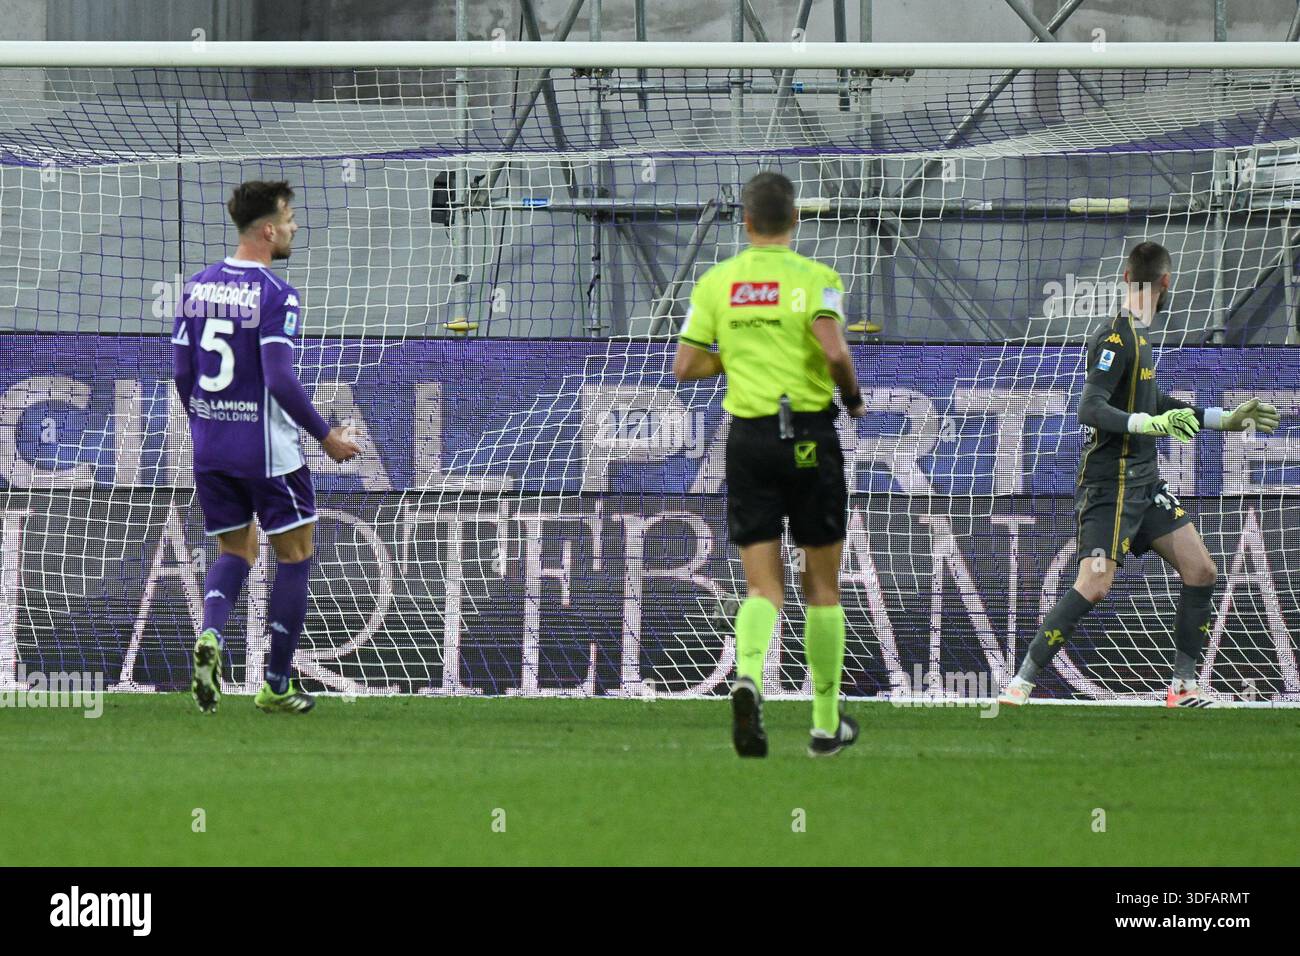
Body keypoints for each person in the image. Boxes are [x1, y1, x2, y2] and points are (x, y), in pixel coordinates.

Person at [999, 241, 1280, 708]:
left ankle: (1183, 686)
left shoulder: (1141, 336)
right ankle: (1021, 681)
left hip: (1145, 483)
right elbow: (1090, 407)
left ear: (1126, 277)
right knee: (1094, 582)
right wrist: (1145, 424)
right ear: (1167, 283)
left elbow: (1155, 403)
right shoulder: (1114, 336)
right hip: (1110, 484)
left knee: (1201, 568)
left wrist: (1222, 418)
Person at [673, 170, 867, 756]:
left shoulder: (718, 283)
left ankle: (750, 676)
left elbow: (685, 367)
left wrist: (740, 361)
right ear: (796, 220)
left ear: (747, 222)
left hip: (749, 440)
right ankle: (825, 724)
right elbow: (834, 351)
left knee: (762, 586)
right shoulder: (815, 279)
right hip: (807, 436)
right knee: (822, 585)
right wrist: (853, 398)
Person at [172, 180, 360, 715]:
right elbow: (280, 377)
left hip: (211, 449)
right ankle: (276, 683)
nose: (295, 226)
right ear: (269, 228)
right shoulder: (278, 294)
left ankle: (211, 634)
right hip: (270, 454)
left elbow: (183, 372)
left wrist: (205, 424)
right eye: (291, 217)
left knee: (235, 552)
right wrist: (325, 435)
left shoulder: (196, 287)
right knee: (295, 557)